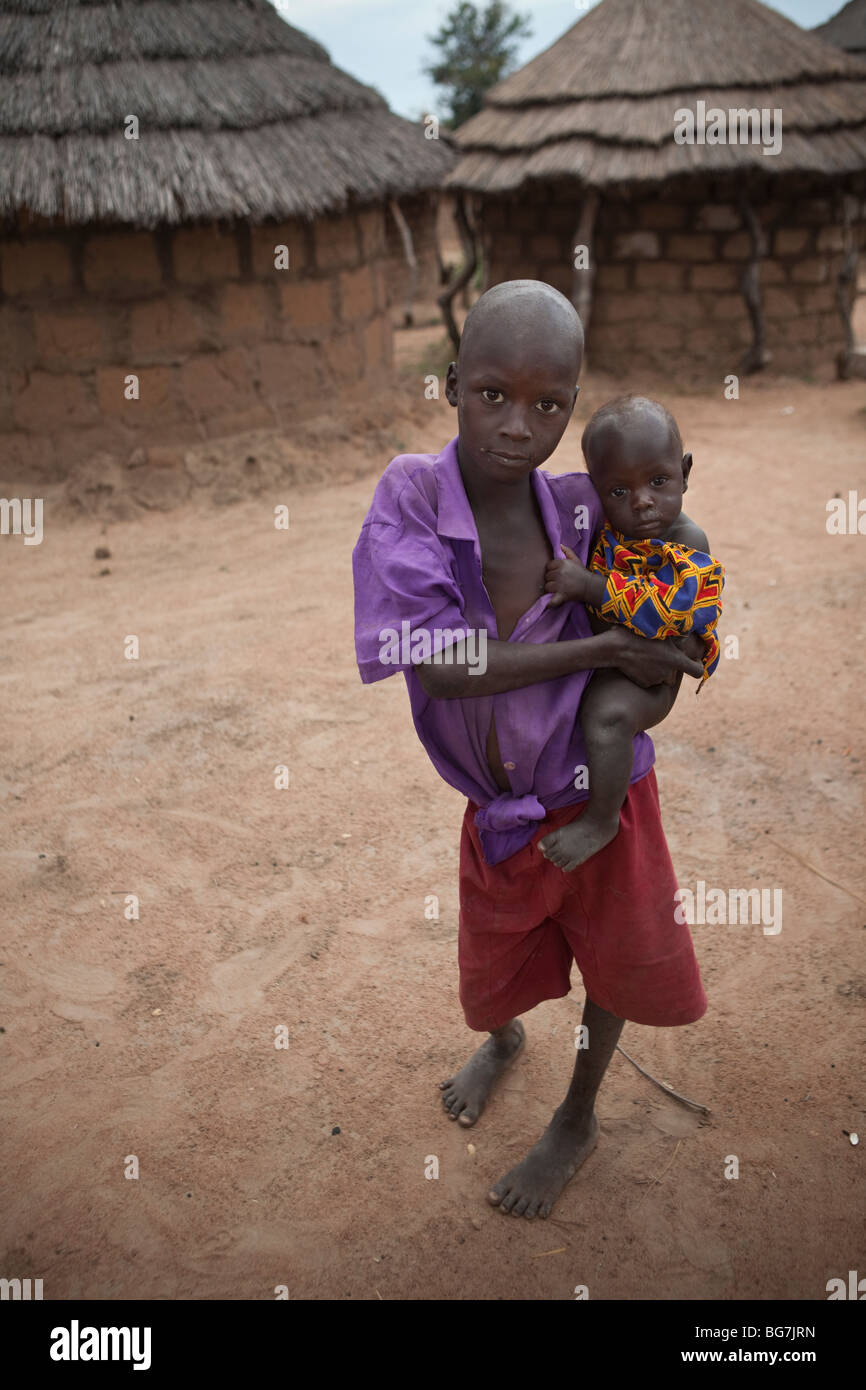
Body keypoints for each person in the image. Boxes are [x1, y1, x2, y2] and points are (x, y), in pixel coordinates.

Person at [352, 280, 708, 1221]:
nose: (520, 425)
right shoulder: (414, 498)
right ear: (450, 383)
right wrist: (602, 646)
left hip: (604, 796)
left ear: (573, 404)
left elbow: (685, 605)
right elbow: (446, 667)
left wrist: (655, 670)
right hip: (501, 812)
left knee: (616, 960)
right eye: (493, 395)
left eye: (551, 403)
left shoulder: (589, 510)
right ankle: (505, 1040)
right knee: (492, 968)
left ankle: (577, 1117)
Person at [539, 395, 724, 872]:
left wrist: (589, 587)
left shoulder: (686, 541)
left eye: (658, 481)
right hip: (620, 655)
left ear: (685, 473)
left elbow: (664, 613)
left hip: (656, 677)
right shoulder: (613, 531)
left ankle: (601, 821)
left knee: (607, 713)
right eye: (618, 491)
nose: (641, 500)